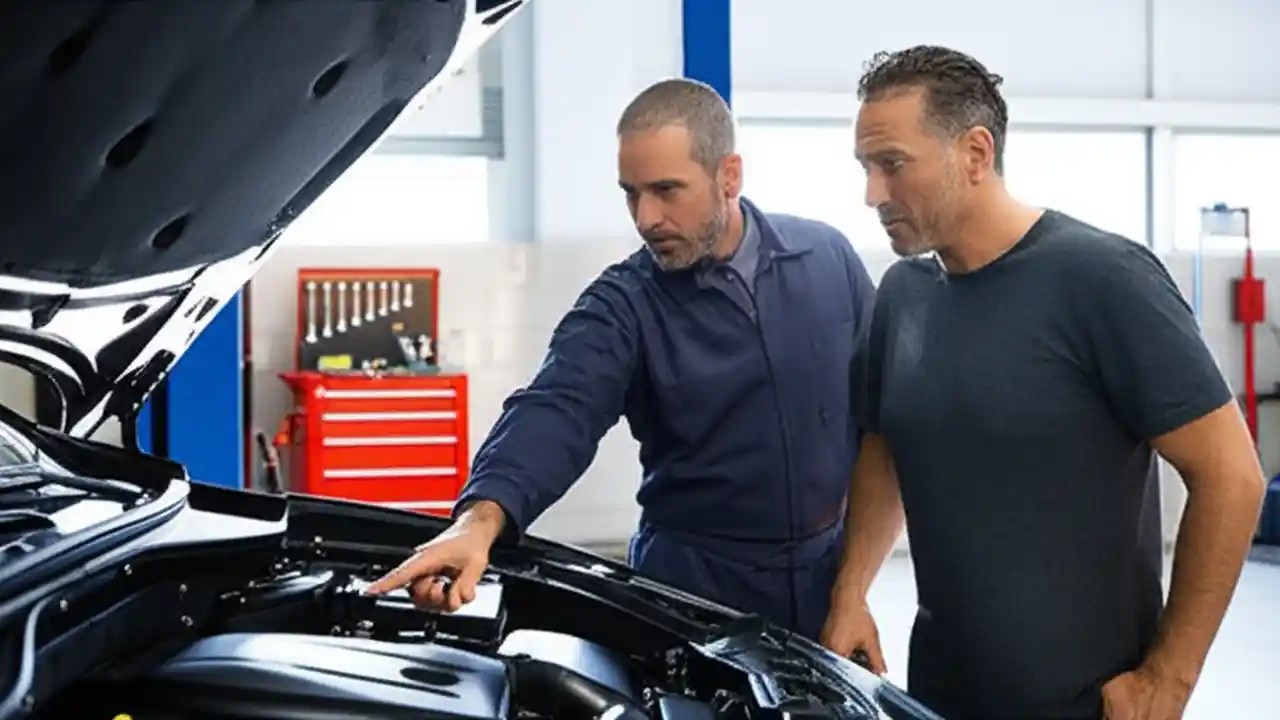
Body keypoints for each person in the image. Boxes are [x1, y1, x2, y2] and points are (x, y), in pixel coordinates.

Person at [818, 45, 1266, 720]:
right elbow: (885, 447)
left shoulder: (1103, 280)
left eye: (892, 166)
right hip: (938, 692)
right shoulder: (902, 297)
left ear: (974, 153)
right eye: (866, 168)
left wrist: (1167, 681)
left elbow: (1233, 477)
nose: (872, 194)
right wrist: (851, 592)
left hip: (1083, 704)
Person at [365, 77, 877, 641]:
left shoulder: (827, 259)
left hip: (827, 579)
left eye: (666, 190)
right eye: (631, 193)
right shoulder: (625, 305)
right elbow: (558, 407)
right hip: (691, 590)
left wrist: (852, 589)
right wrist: (480, 520)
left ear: (729, 175)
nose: (645, 217)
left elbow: (880, 422)